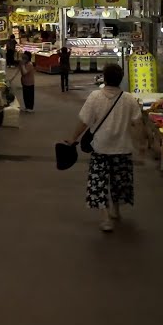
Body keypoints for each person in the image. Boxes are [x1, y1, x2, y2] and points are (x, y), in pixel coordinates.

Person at [65, 64, 143, 232]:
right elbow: (138, 124)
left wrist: (73, 138)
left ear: (104, 78)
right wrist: (141, 144)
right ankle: (116, 210)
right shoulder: (129, 99)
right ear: (121, 79)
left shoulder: (95, 97)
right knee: (119, 181)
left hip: (100, 148)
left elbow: (84, 121)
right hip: (122, 148)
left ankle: (106, 219)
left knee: (98, 183)